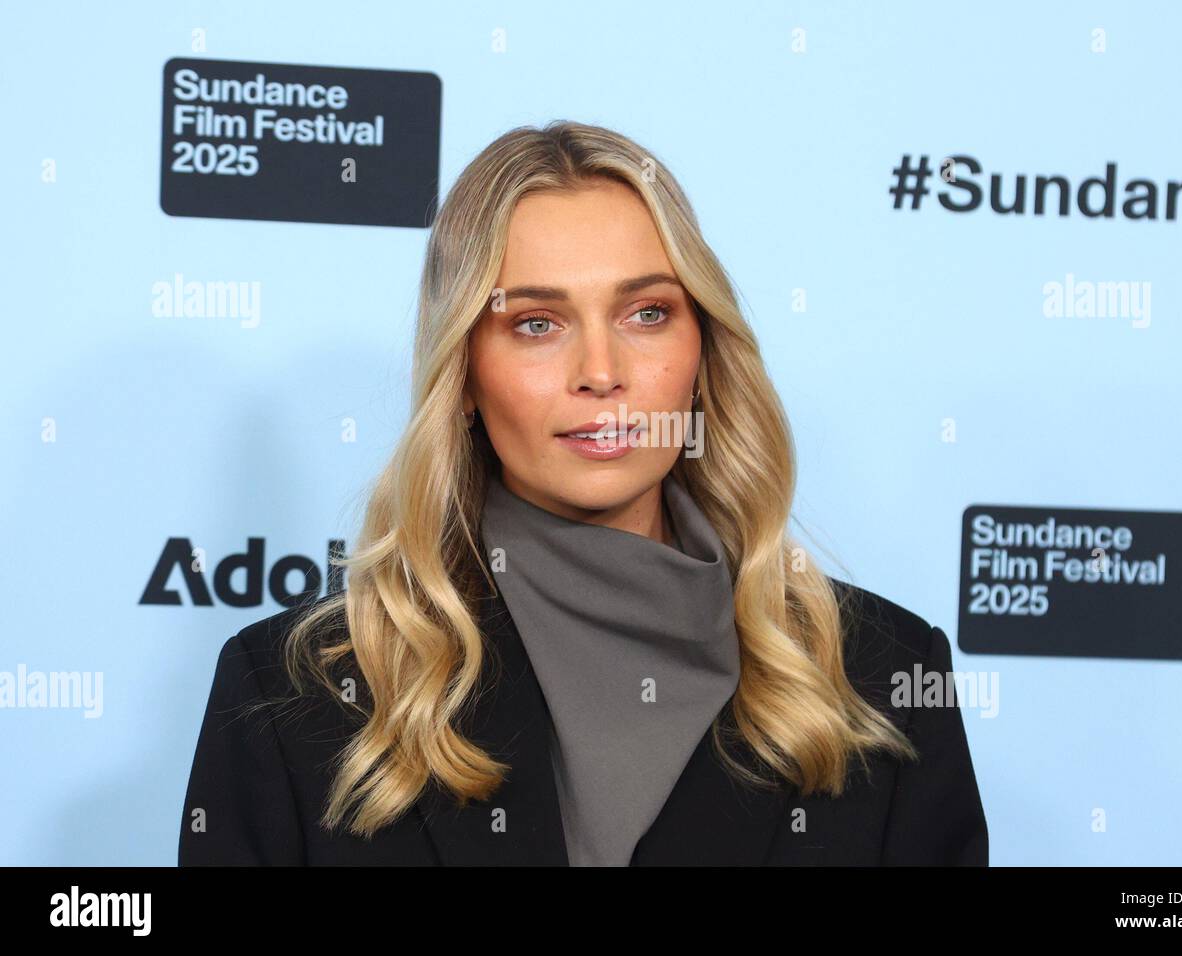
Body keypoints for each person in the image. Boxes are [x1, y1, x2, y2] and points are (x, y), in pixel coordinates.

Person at [178, 120, 988, 866]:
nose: (601, 373)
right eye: (537, 323)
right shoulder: (294, 695)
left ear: (701, 351)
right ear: (462, 373)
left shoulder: (888, 676)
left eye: (646, 313)